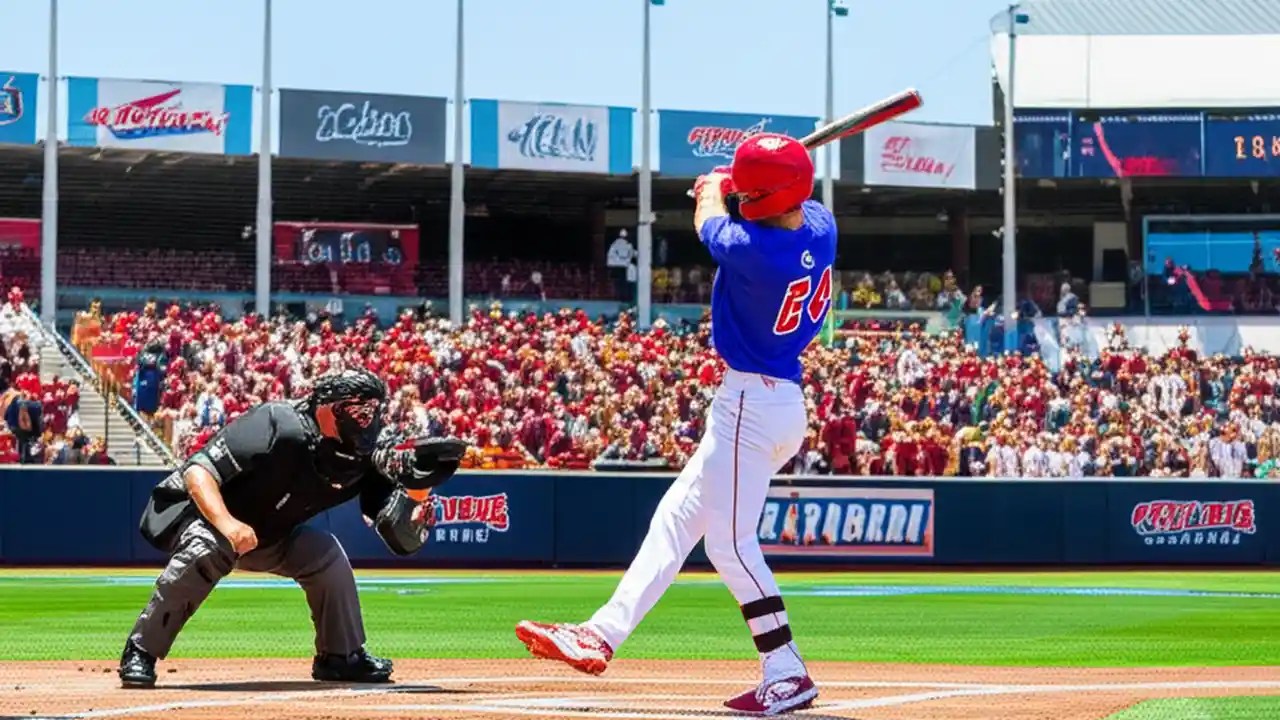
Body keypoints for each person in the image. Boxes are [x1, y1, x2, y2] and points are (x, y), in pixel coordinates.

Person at [516, 134, 833, 715]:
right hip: (777, 399)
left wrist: (717, 185)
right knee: (675, 519)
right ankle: (602, 633)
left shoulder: (750, 251)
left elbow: (711, 220)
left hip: (751, 404)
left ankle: (786, 668)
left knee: (729, 545)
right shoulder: (820, 225)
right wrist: (745, 184)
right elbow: (770, 206)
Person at [118, 369, 467, 689]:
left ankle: (341, 657)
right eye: (361, 411)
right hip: (203, 516)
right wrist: (228, 524)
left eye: (375, 411)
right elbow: (198, 472)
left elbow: (396, 534)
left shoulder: (365, 457)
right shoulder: (277, 423)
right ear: (330, 409)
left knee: (325, 555)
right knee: (207, 548)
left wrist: (420, 487)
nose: (369, 421)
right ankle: (141, 650)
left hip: (270, 533)